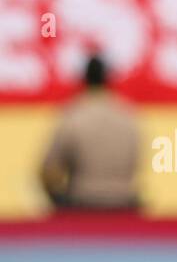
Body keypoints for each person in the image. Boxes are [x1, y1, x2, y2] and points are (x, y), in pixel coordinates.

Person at [40, 54, 140, 211]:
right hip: (125, 204)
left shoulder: (73, 115)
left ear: (84, 79)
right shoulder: (127, 115)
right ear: (108, 79)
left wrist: (56, 199)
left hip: (82, 205)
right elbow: (137, 161)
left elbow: (48, 171)